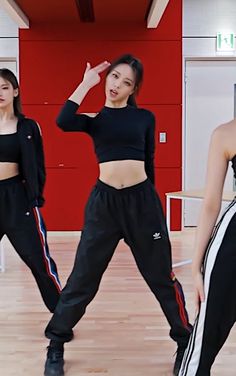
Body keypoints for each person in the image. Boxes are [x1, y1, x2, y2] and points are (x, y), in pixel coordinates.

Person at [43, 54, 192, 376]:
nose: (117, 85)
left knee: (161, 277)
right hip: (104, 205)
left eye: (126, 82)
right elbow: (63, 120)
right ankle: (56, 343)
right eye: (114, 77)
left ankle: (184, 340)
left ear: (133, 89)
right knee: (83, 278)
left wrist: (150, 204)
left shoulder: (144, 118)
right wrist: (85, 83)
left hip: (142, 204)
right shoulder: (95, 119)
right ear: (106, 78)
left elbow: (149, 160)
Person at [0, 68, 61, 312]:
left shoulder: (27, 127)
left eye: (4, 87)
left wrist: (33, 197)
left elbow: (38, 165)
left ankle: (61, 316)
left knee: (39, 261)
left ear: (15, 91)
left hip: (17, 199)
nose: (0, 93)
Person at [178, 120, 236, 375]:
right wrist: (196, 266)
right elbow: (211, 203)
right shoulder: (225, 134)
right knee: (205, 337)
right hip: (231, 244)